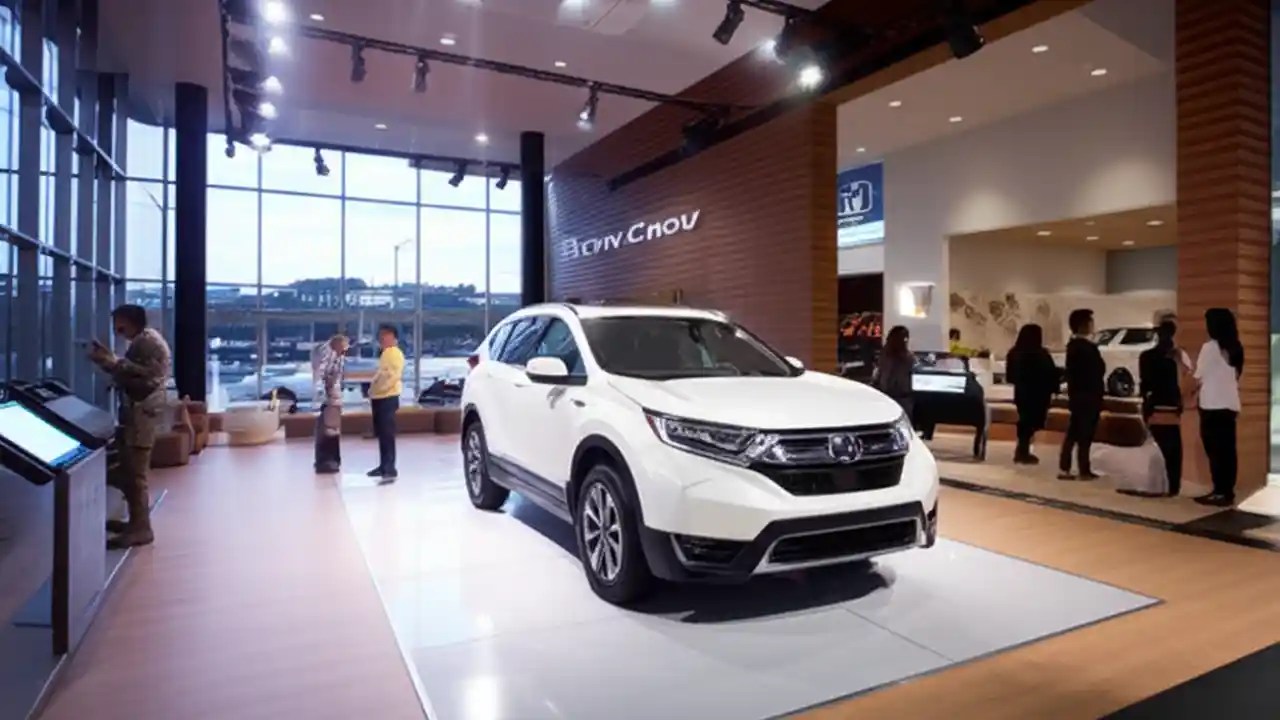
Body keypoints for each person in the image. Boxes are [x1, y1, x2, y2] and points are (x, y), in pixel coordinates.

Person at [88, 304, 171, 549]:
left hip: (141, 415)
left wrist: (112, 363)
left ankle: (140, 527)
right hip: (139, 414)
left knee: (135, 474)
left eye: (119, 322)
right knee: (130, 470)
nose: (117, 328)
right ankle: (137, 520)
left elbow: (144, 378)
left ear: (130, 321)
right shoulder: (144, 341)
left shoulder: (145, 343)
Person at [1194, 308, 1243, 506]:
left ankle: (1219, 491)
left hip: (1211, 406)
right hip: (1230, 405)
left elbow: (1198, 377)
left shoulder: (1209, 348)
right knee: (1228, 450)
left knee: (1214, 450)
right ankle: (1227, 491)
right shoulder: (1236, 348)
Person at [1138, 321, 1192, 497]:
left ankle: (1157, 485)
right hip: (1172, 408)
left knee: (1158, 446)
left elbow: (1144, 384)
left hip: (1154, 407)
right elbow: (1188, 379)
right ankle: (1173, 487)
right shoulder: (1177, 356)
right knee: (1174, 450)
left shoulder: (1146, 356)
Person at [1059, 308, 1105, 481]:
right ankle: (1083, 469)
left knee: (1073, 432)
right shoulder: (1087, 348)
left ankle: (1066, 467)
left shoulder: (1072, 347)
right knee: (1084, 433)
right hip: (1088, 396)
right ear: (1083, 325)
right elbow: (1098, 370)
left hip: (1077, 396)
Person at [1005, 324, 1058, 465]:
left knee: (1024, 421)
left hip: (1021, 394)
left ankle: (1022, 449)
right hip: (1038, 395)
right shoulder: (1040, 354)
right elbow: (1050, 373)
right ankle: (1023, 451)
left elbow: (1010, 376)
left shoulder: (1013, 353)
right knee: (1032, 423)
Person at [368, 325, 405, 483]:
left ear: (394, 337)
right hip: (380, 396)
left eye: (386, 335)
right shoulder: (385, 353)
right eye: (381, 335)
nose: (382, 338)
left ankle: (389, 468)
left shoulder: (393, 353)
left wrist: (377, 388)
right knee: (382, 434)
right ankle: (384, 465)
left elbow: (390, 376)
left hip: (387, 397)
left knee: (387, 434)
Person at [312, 334, 349, 474]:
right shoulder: (325, 355)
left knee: (333, 430)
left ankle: (333, 459)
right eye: (344, 348)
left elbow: (337, 377)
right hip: (327, 400)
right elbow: (320, 377)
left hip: (334, 399)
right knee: (326, 430)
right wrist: (324, 397)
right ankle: (325, 461)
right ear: (337, 345)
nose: (345, 351)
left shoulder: (338, 357)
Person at [873, 325, 915, 418]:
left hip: (885, 396)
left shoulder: (885, 354)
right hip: (902, 398)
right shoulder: (908, 357)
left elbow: (879, 375)